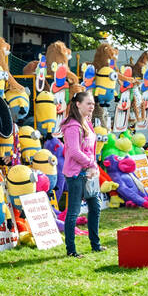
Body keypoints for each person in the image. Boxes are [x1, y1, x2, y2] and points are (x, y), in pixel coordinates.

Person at [60, 90, 103, 257]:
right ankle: (71, 250)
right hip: (76, 175)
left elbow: (90, 149)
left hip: (89, 174)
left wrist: (93, 167)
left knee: (95, 207)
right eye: (88, 103)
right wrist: (91, 164)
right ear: (78, 104)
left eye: (93, 103)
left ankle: (96, 244)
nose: (92, 106)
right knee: (73, 212)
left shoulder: (87, 122)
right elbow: (74, 152)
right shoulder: (72, 126)